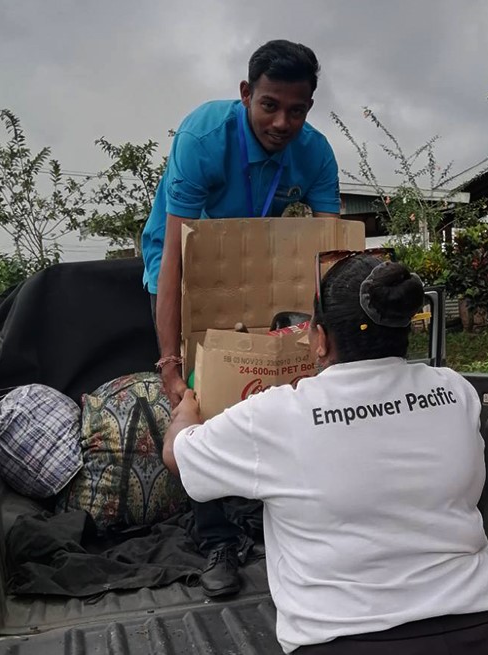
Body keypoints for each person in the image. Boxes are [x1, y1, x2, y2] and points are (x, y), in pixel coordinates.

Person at [161, 252, 488, 655]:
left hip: (349, 639)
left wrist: (185, 415)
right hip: (486, 632)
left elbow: (179, 457)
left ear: (320, 339)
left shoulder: (279, 415)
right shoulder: (454, 391)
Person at [140, 39, 341, 598]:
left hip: (261, 269)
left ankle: (278, 516)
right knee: (201, 400)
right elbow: (180, 258)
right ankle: (216, 538)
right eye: (270, 105)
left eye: (297, 110)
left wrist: (331, 349)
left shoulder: (316, 154)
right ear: (246, 94)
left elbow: (329, 256)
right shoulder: (203, 138)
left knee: (281, 387)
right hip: (187, 264)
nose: (283, 122)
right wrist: (171, 362)